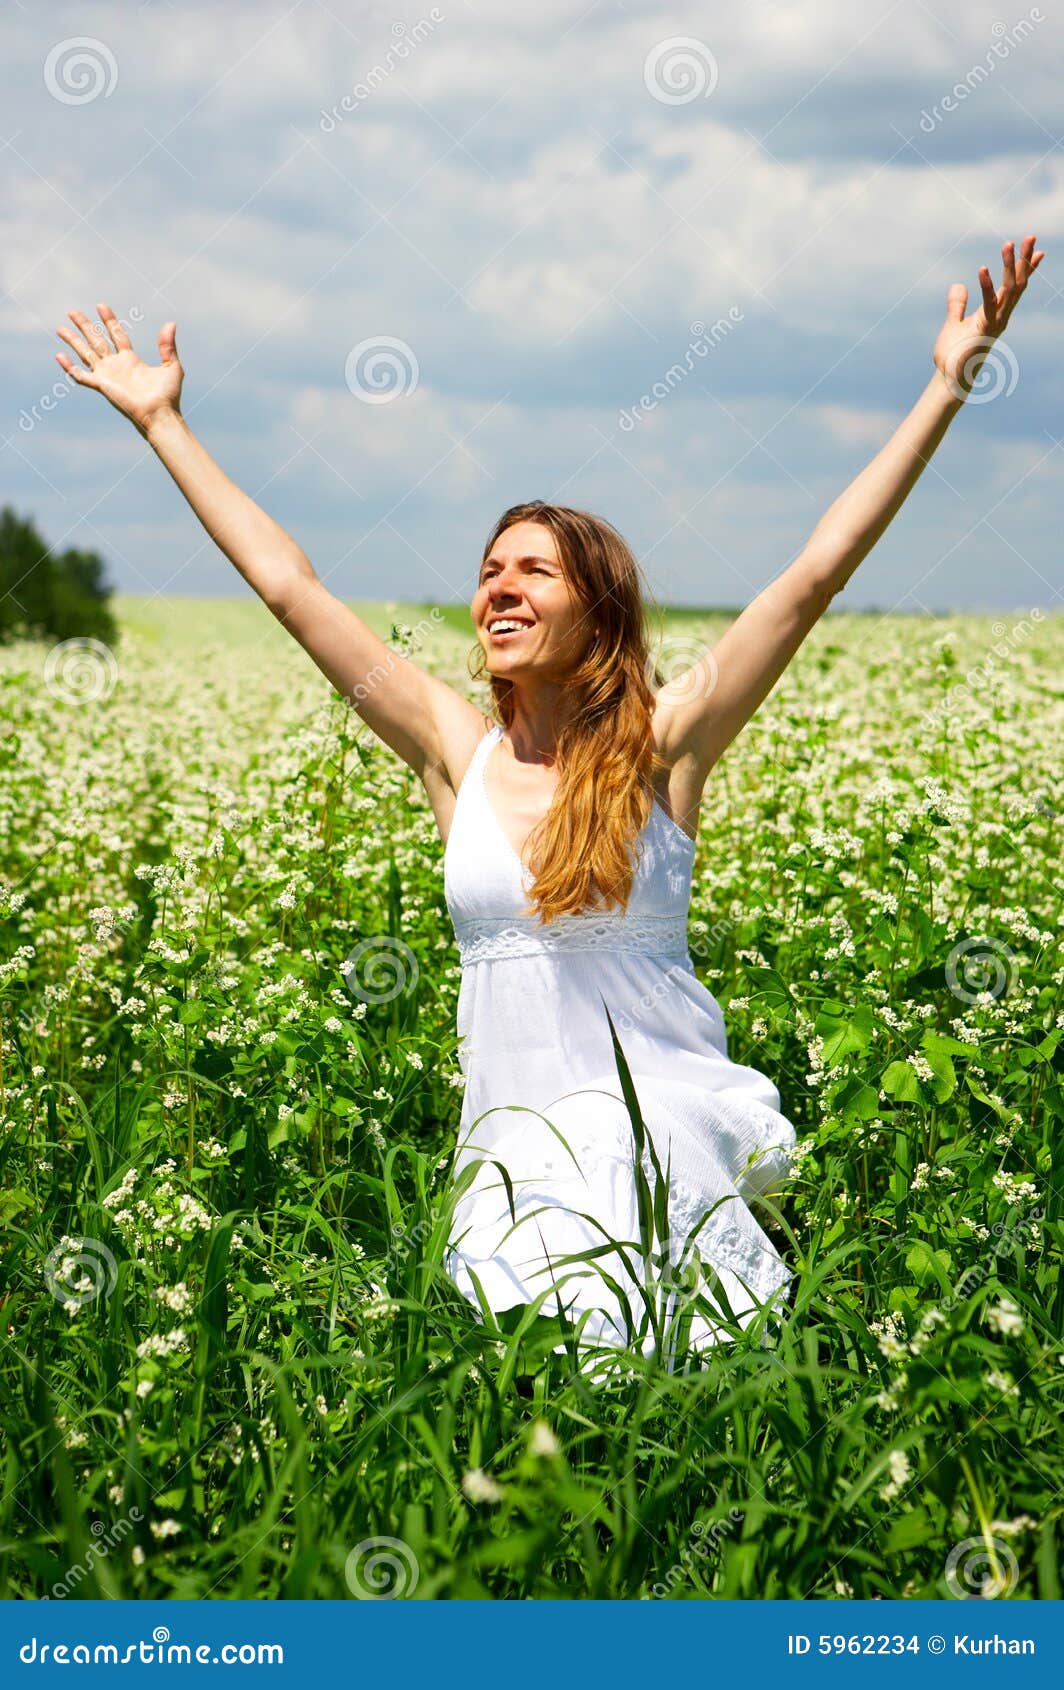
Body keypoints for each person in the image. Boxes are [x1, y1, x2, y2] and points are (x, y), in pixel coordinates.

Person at [54, 236, 1045, 1366]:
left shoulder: (663, 746)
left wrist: (946, 381)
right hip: (507, 1172)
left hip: (654, 1155)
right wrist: (161, 423)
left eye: (533, 570)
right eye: (487, 570)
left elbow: (816, 569)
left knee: (664, 1430)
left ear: (598, 613)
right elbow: (291, 587)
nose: (498, 587)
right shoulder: (451, 751)